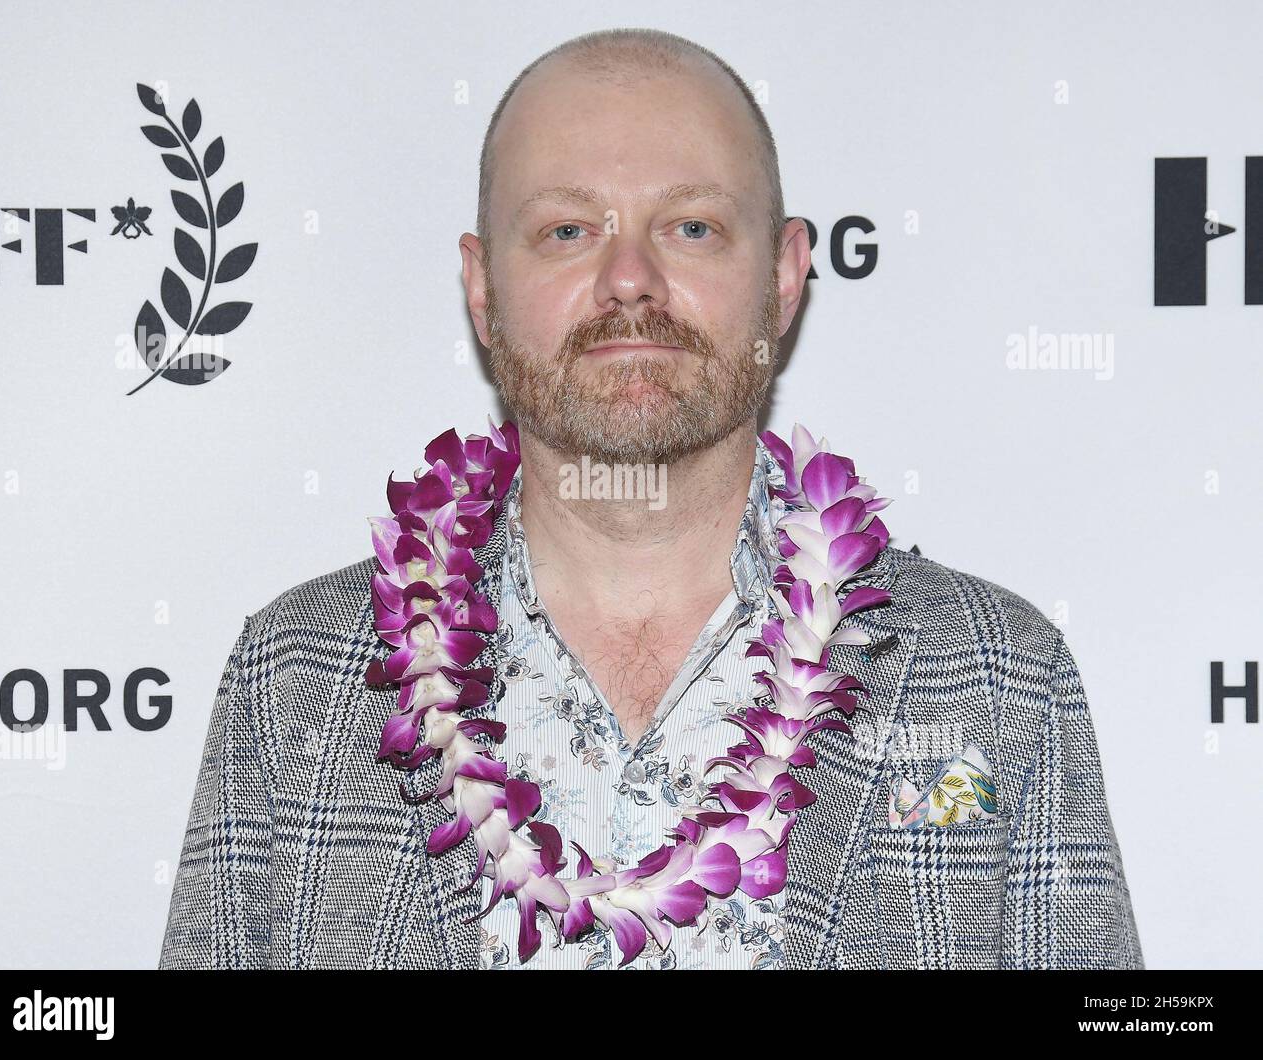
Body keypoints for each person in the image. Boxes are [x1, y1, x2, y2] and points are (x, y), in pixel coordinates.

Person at [158, 27, 1142, 970]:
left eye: (692, 226)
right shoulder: (295, 677)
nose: (629, 280)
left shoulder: (995, 673)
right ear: (482, 287)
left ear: (786, 273)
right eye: (568, 229)